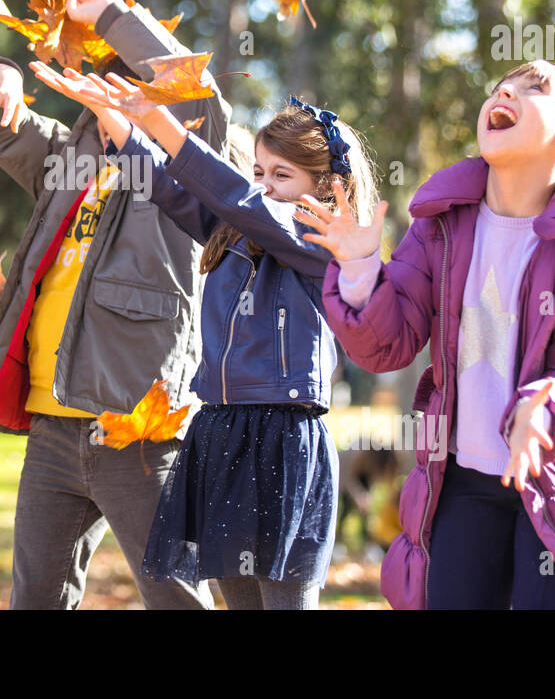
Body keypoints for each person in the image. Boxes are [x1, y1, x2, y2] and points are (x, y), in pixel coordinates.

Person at [303, 59, 555, 609]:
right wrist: (358, 271)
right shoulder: (440, 224)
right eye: (501, 87)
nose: (507, 92)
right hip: (464, 477)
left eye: (534, 88)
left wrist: (544, 411)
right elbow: (388, 343)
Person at [30, 55, 377, 610]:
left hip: (284, 442)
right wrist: (114, 118)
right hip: (220, 433)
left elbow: (238, 199)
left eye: (281, 176)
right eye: (260, 172)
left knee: (284, 602)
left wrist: (160, 121)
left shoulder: (320, 248)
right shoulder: (233, 236)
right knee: (234, 599)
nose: (263, 188)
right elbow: (169, 190)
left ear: (330, 190)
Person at [0, 0, 229, 609]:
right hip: (53, 423)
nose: (120, 86)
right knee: (36, 599)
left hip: (134, 425)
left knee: (175, 597)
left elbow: (193, 93)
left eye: (138, 81)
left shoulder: (188, 168)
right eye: (111, 74)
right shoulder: (67, 155)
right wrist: (2, 74)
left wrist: (111, 15)